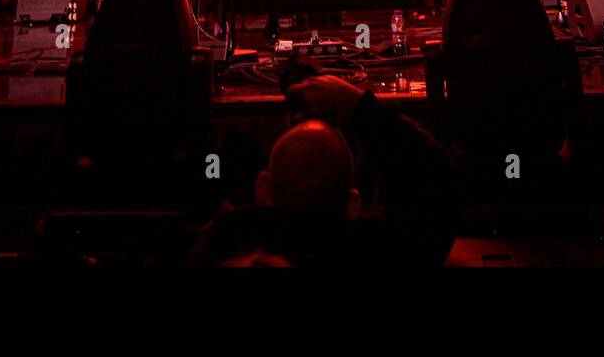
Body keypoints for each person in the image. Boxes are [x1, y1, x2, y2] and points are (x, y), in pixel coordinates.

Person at [192, 74, 458, 267]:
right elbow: (439, 185)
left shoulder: (226, 240)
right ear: (354, 203)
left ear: (262, 188)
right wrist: (361, 109)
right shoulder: (374, 250)